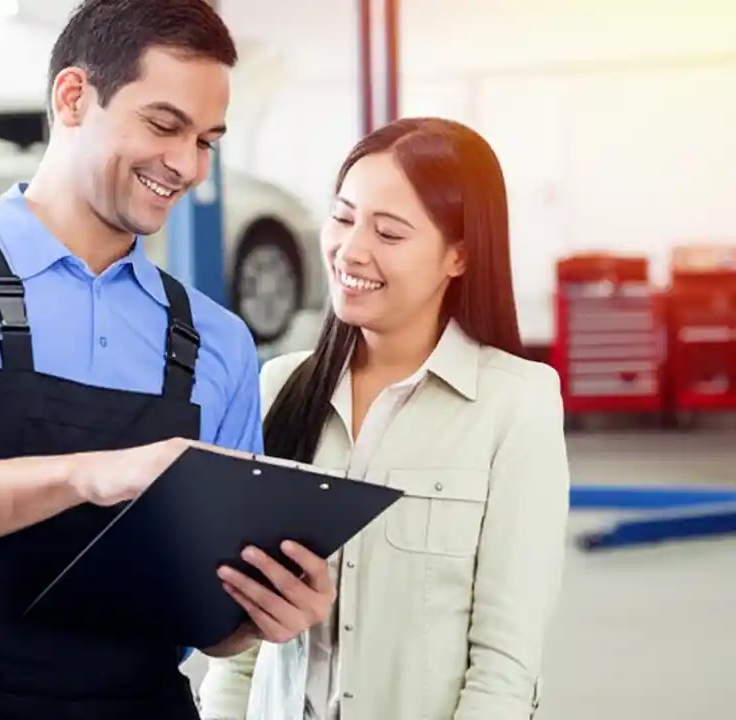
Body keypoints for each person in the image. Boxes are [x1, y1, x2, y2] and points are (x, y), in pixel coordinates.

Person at [0, 1, 336, 718]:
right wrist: (97, 474)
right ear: (73, 97)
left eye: (207, 139)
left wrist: (262, 612)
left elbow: (211, 619)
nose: (186, 165)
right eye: (163, 124)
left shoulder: (215, 340)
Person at [197, 117, 571, 719]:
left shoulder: (516, 404)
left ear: (459, 255)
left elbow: (504, 663)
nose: (351, 250)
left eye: (389, 233)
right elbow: (237, 651)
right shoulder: (279, 388)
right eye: (343, 217)